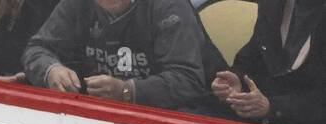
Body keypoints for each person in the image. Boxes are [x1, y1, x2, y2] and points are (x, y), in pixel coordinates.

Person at [23, 0, 209, 109]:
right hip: (93, 116)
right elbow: (37, 48)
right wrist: (51, 70)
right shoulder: (77, 4)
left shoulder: (170, 7)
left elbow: (189, 80)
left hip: (169, 123)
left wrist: (127, 91)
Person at [211, 0, 326, 124]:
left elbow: (320, 101)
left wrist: (273, 107)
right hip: (267, 118)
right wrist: (236, 84)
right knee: (205, 118)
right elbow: (251, 59)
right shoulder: (274, 5)